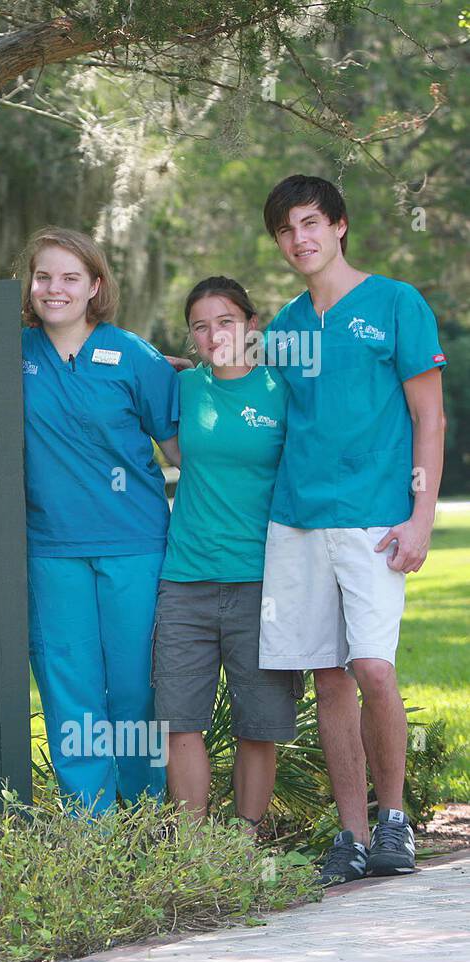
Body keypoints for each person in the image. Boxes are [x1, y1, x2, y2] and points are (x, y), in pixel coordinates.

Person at [257, 175, 446, 885]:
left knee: (372, 667)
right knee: (328, 679)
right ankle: (352, 834)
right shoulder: (284, 328)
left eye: (310, 223)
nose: (299, 239)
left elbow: (430, 419)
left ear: (339, 225)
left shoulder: (396, 303)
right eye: (285, 230)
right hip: (298, 520)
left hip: (374, 519)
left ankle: (393, 820)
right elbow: (256, 408)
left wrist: (420, 516)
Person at [20, 226, 177, 814]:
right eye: (43, 277)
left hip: (135, 543)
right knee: (70, 689)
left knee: (138, 687)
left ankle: (145, 817)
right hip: (51, 549)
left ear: (95, 286)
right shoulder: (8, 354)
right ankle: (91, 834)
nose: (53, 289)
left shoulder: (133, 355)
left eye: (69, 278)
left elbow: (183, 451)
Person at [152, 277, 300, 829]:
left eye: (225, 321)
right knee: (178, 720)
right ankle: (197, 853)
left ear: (251, 325)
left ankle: (242, 843)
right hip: (185, 579)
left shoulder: (281, 388)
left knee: (259, 721)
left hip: (263, 582)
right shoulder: (185, 387)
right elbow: (143, 368)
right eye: (200, 325)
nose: (213, 334)